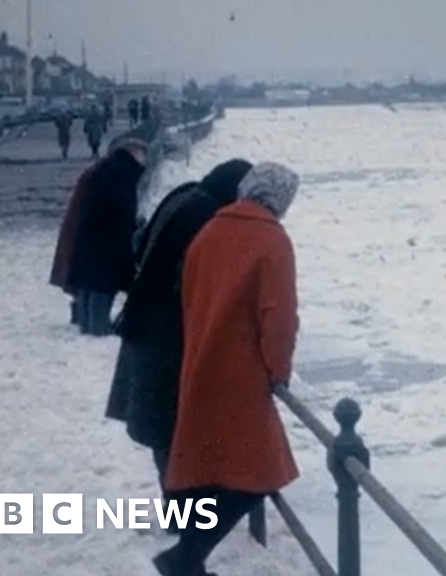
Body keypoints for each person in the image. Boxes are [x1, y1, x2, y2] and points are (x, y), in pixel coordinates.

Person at [153, 163, 301, 576]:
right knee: (258, 474)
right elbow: (279, 318)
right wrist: (278, 371)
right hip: (242, 375)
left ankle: (188, 559)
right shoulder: (272, 240)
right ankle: (183, 558)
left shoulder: (210, 231)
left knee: (208, 467)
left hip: (201, 362)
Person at [104, 159, 253, 533]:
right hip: (166, 338)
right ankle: (185, 519)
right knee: (173, 431)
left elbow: (144, 249)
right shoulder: (204, 217)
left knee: (167, 432)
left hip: (147, 324)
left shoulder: (186, 196)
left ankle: (183, 515)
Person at [67, 139, 149, 336]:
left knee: (89, 282)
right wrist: (132, 227)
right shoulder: (123, 173)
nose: (144, 159)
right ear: (133, 153)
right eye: (142, 154)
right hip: (108, 239)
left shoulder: (106, 169)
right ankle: (98, 327)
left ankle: (87, 324)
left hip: (91, 235)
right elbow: (122, 208)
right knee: (103, 284)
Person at [49, 137, 132, 324]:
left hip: (82, 237)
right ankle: (89, 321)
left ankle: (83, 316)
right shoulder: (107, 176)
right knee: (93, 282)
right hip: (89, 239)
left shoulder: (97, 173)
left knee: (84, 280)